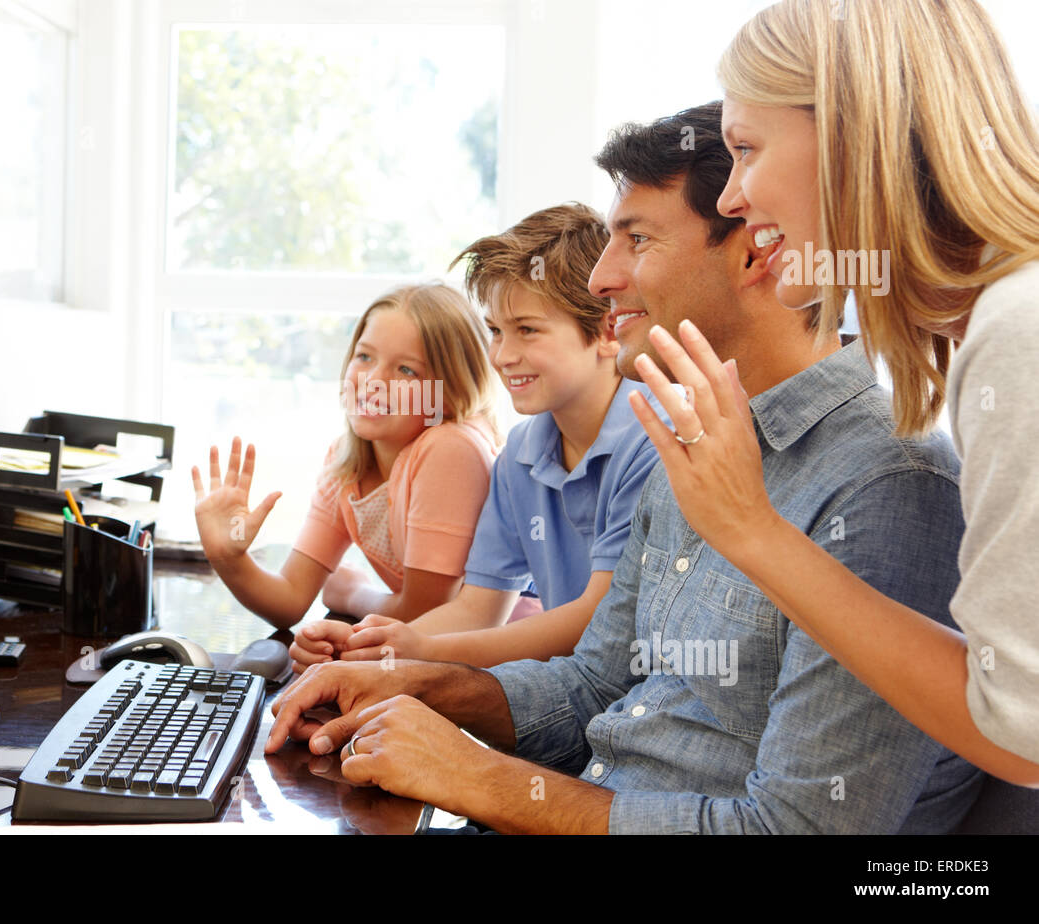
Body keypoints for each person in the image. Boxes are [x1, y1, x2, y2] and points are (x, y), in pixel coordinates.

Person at [265, 102, 982, 834]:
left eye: (637, 240)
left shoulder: (890, 485)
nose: (604, 278)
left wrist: (479, 778)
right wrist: (410, 682)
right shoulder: (687, 438)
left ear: (754, 252)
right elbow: (595, 687)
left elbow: (796, 829)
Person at [622, 0, 1039, 785]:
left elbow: (1023, 739)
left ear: (856, 136)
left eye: (746, 149)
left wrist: (752, 530)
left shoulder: (1018, 328)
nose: (734, 199)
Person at [289, 203, 660, 672]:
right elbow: (478, 611)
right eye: (494, 331)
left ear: (607, 330)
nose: (503, 355)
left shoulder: (653, 439)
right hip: (580, 689)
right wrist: (362, 647)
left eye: (526, 330)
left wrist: (409, 650)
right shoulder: (520, 456)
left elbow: (596, 620)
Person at [191, 283, 500, 630]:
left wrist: (355, 595)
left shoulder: (451, 449)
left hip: (503, 659)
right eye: (364, 356)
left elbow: (424, 614)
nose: (373, 381)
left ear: (449, 390)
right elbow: (290, 598)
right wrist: (229, 558)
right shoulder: (346, 461)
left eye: (406, 370)